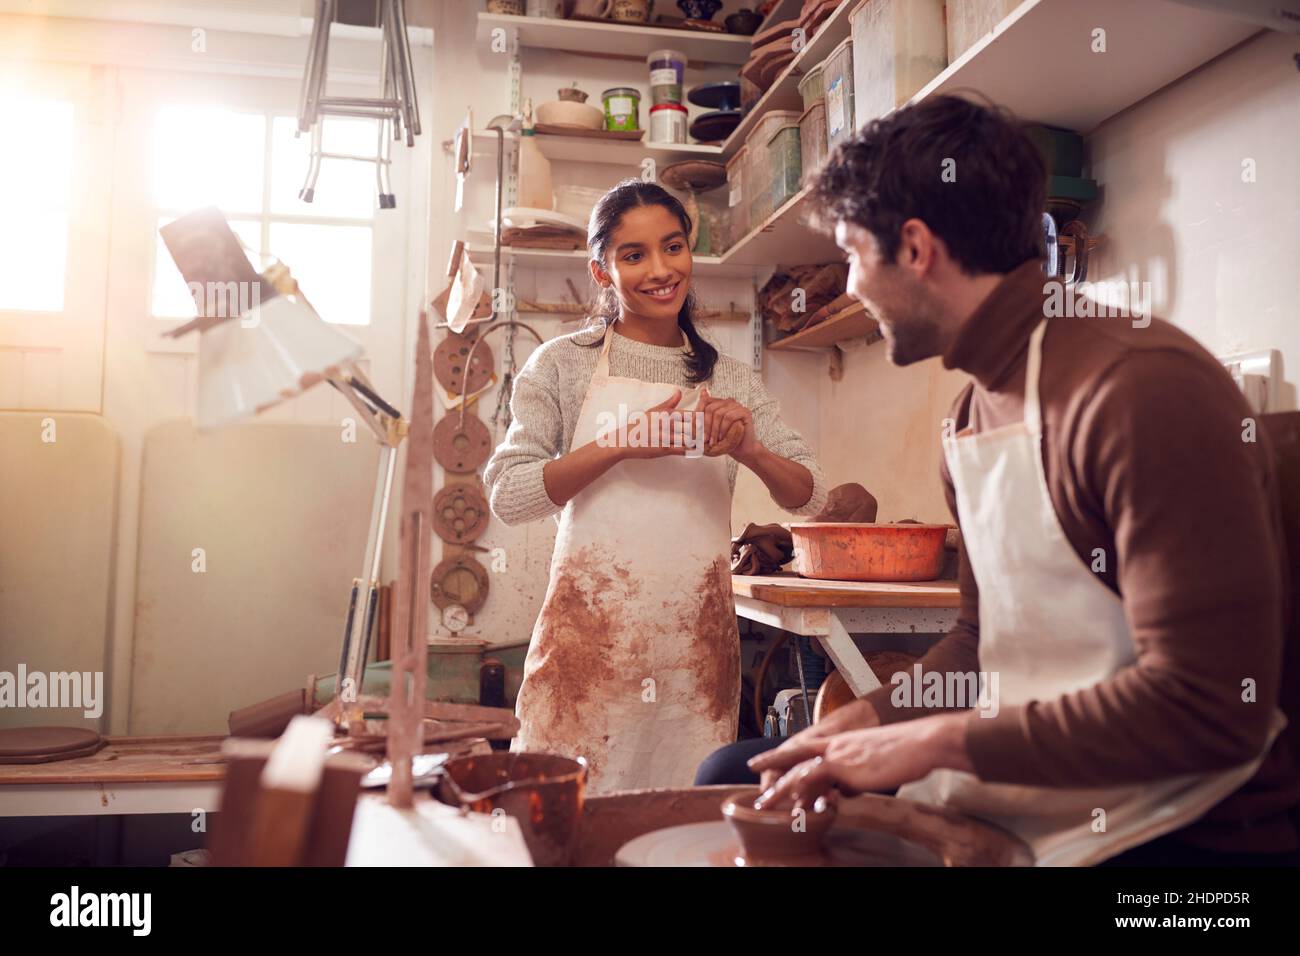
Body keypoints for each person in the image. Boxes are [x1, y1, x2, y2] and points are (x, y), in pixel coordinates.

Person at [739, 95, 1299, 866]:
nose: (854, 287)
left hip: (1184, 831)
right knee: (734, 776)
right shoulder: (972, 414)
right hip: (1036, 786)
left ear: (915, 247)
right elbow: (978, 642)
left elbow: (1208, 708)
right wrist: (869, 719)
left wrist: (933, 741)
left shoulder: (1140, 389)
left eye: (854, 257)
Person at [484, 179, 829, 794]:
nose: (660, 270)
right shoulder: (562, 365)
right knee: (568, 825)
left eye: (673, 247)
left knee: (681, 830)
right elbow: (509, 496)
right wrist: (621, 443)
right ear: (601, 270)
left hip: (690, 662)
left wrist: (749, 448)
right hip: (586, 654)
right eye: (634, 255)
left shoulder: (731, 380)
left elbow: (810, 495)